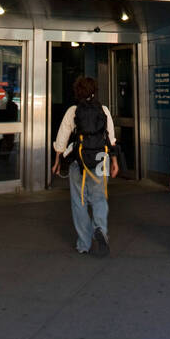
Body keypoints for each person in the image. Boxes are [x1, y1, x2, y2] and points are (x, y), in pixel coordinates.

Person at [52, 76, 119, 256]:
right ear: (94, 91)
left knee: (79, 201)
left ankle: (84, 243)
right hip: (100, 158)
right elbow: (110, 139)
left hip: (79, 161)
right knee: (99, 198)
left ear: (77, 92)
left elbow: (62, 138)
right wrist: (114, 162)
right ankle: (101, 230)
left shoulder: (73, 111)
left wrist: (58, 161)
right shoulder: (103, 110)